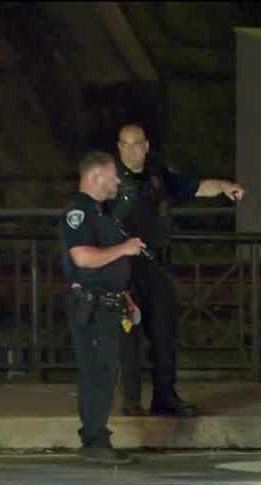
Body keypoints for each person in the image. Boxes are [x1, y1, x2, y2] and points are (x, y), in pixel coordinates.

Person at [111, 123, 244, 417]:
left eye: (137, 144)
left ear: (146, 146)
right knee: (128, 333)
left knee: (164, 332)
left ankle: (165, 396)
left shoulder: (157, 174)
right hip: (123, 266)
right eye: (126, 145)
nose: (132, 151)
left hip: (156, 263)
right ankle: (131, 401)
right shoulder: (109, 181)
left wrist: (223, 186)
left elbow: (193, 187)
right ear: (119, 147)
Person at [59, 151, 147, 465]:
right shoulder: (79, 212)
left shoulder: (101, 212)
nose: (117, 180)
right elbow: (82, 258)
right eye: (112, 175)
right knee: (97, 373)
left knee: (106, 373)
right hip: (92, 307)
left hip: (108, 304)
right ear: (96, 177)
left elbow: (106, 263)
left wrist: (124, 295)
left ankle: (98, 438)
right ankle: (94, 441)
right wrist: (124, 248)